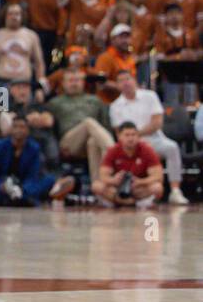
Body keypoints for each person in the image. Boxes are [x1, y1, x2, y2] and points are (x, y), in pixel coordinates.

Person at [108, 69, 187, 205]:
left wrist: (137, 135)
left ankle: (175, 191)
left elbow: (157, 122)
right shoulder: (115, 106)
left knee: (171, 147)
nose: (125, 83)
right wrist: (133, 140)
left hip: (153, 139)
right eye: (121, 81)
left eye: (127, 79)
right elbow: (118, 132)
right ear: (117, 85)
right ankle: (122, 192)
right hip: (129, 144)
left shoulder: (150, 96)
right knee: (115, 150)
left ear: (134, 80)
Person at [0, 116, 74, 206]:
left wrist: (21, 189)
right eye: (15, 126)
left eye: (22, 127)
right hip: (4, 184)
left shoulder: (34, 148)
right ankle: (24, 197)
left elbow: (33, 176)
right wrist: (1, 186)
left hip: (24, 185)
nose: (18, 130)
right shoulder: (0, 146)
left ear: (28, 130)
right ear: (11, 129)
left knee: (48, 180)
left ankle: (18, 196)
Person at [44, 68, 114, 185]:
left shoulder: (95, 100)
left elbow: (105, 125)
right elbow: (49, 130)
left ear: (83, 82)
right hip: (69, 143)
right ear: (64, 83)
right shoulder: (54, 103)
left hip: (92, 140)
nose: (74, 83)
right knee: (88, 122)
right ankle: (113, 152)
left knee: (93, 142)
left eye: (77, 80)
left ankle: (99, 187)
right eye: (70, 80)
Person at [93, 122, 164, 209]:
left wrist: (140, 181)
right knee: (96, 186)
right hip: (117, 189)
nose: (130, 138)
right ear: (119, 136)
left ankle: (125, 202)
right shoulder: (113, 150)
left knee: (157, 187)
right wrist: (114, 180)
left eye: (133, 135)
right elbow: (103, 176)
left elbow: (158, 176)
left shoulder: (147, 150)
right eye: (127, 135)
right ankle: (128, 202)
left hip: (138, 189)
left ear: (138, 136)